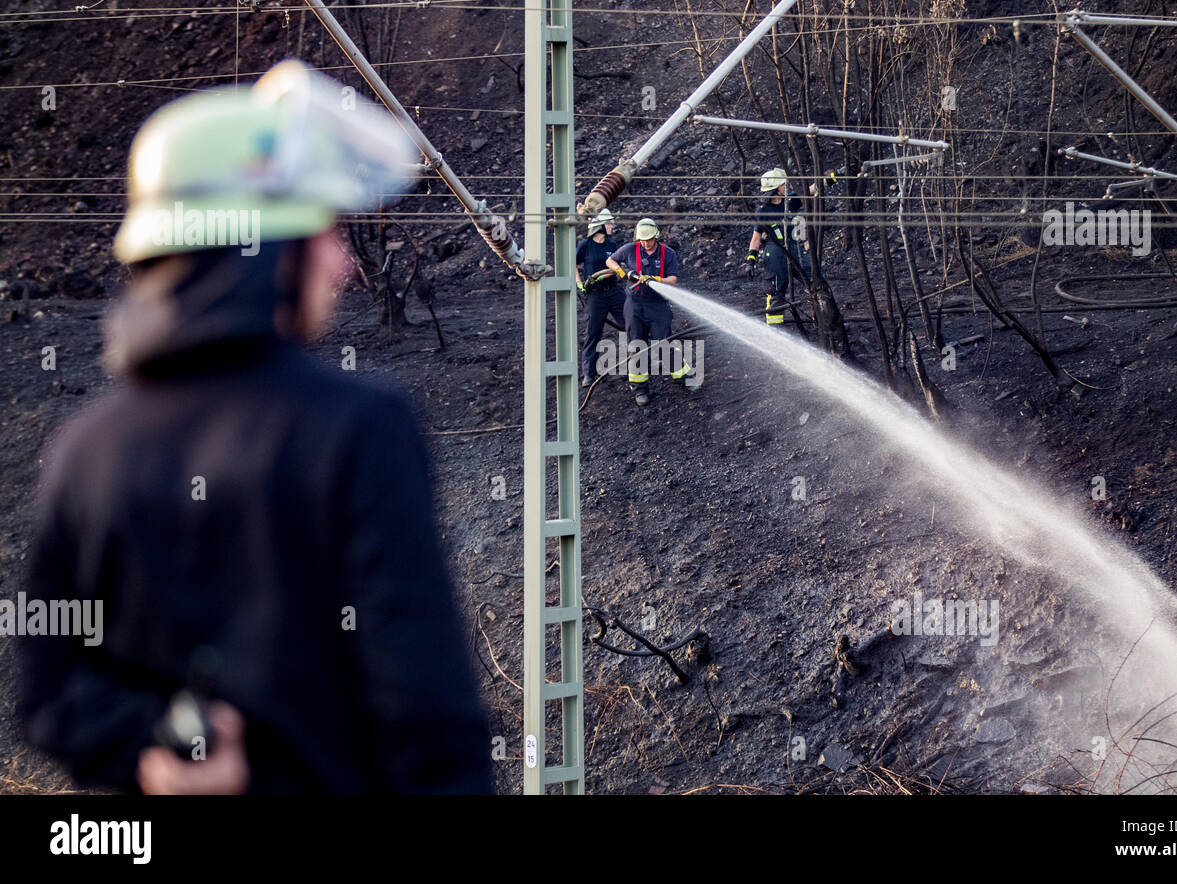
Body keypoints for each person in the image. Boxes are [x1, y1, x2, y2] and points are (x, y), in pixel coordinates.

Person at [18, 60, 491, 794]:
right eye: (323, 231)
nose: (340, 263)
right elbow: (427, 718)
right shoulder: (358, 430)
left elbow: (47, 693)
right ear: (260, 251)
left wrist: (156, 745)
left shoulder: (85, 450)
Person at [606, 218, 692, 406]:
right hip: (634, 304)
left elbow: (672, 280)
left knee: (664, 342)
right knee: (636, 345)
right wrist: (622, 272)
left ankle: (681, 374)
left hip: (657, 304)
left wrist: (654, 279)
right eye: (642, 240)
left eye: (649, 239)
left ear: (656, 236)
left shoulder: (667, 253)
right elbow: (610, 260)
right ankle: (640, 389)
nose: (646, 243)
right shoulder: (630, 249)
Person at [745, 167, 810, 325]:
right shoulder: (763, 211)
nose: (786, 186)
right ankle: (775, 330)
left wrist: (835, 177)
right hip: (775, 254)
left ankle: (823, 321)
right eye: (783, 184)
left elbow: (811, 189)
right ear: (775, 189)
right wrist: (750, 260)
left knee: (815, 282)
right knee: (775, 293)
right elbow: (756, 237)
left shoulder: (791, 201)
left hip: (795, 250)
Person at [575, 208, 625, 388]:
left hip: (614, 291)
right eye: (609, 223)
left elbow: (617, 266)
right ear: (599, 227)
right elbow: (571, 263)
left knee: (632, 323)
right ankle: (588, 374)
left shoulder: (611, 245)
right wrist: (579, 282)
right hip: (594, 295)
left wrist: (610, 273)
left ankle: (644, 361)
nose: (612, 226)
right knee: (593, 333)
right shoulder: (585, 245)